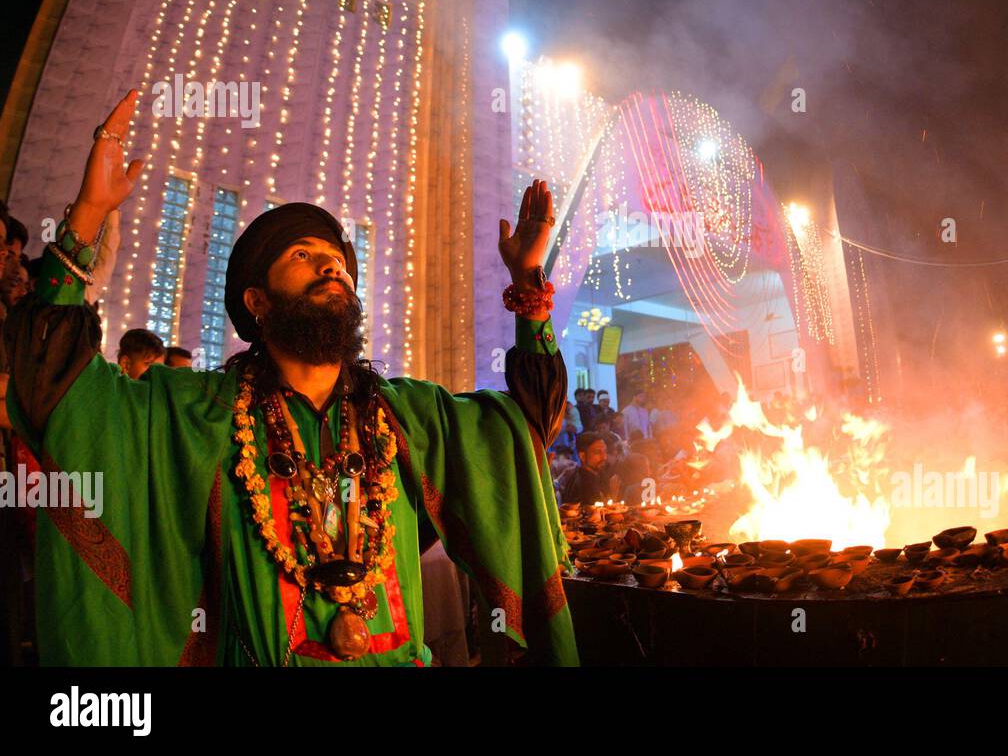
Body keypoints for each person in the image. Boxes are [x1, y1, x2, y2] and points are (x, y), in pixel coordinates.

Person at [3, 89, 577, 666]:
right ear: (257, 301)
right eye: (302, 255)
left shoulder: (411, 417)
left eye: (337, 260)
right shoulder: (199, 414)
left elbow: (528, 421)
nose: (331, 264)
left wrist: (529, 284)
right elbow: (58, 383)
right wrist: (87, 216)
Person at [559, 432, 610, 506]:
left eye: (605, 451)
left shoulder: (599, 475)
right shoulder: (580, 484)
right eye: (598, 452)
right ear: (582, 456)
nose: (604, 457)